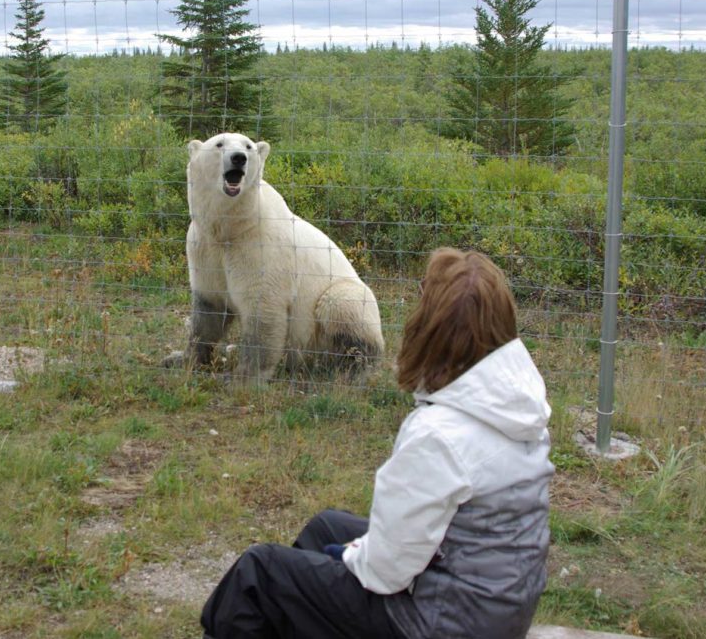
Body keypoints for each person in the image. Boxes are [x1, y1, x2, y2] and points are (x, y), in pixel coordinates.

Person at [200, 248, 555, 639]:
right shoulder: (518, 406)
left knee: (259, 573)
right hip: (495, 607)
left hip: (437, 624)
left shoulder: (439, 435)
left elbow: (385, 572)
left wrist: (349, 557)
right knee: (325, 528)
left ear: (432, 325)